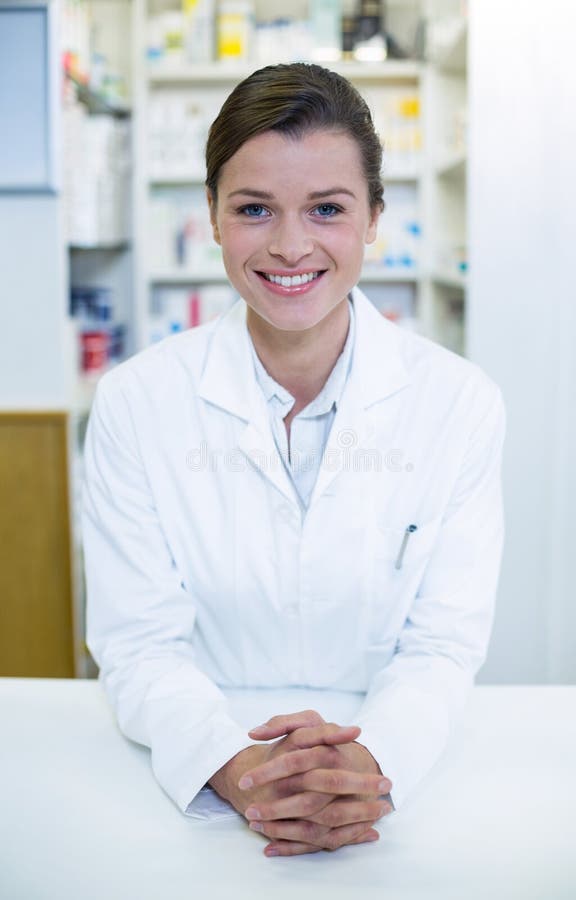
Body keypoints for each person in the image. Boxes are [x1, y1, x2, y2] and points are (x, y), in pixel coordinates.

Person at [82, 63, 505, 858]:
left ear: (376, 215)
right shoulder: (136, 403)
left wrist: (366, 767)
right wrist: (234, 766)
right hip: (202, 769)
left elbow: (442, 645)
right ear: (210, 213)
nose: (289, 245)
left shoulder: (460, 404)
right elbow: (137, 642)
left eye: (327, 209)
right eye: (252, 209)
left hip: (389, 783)